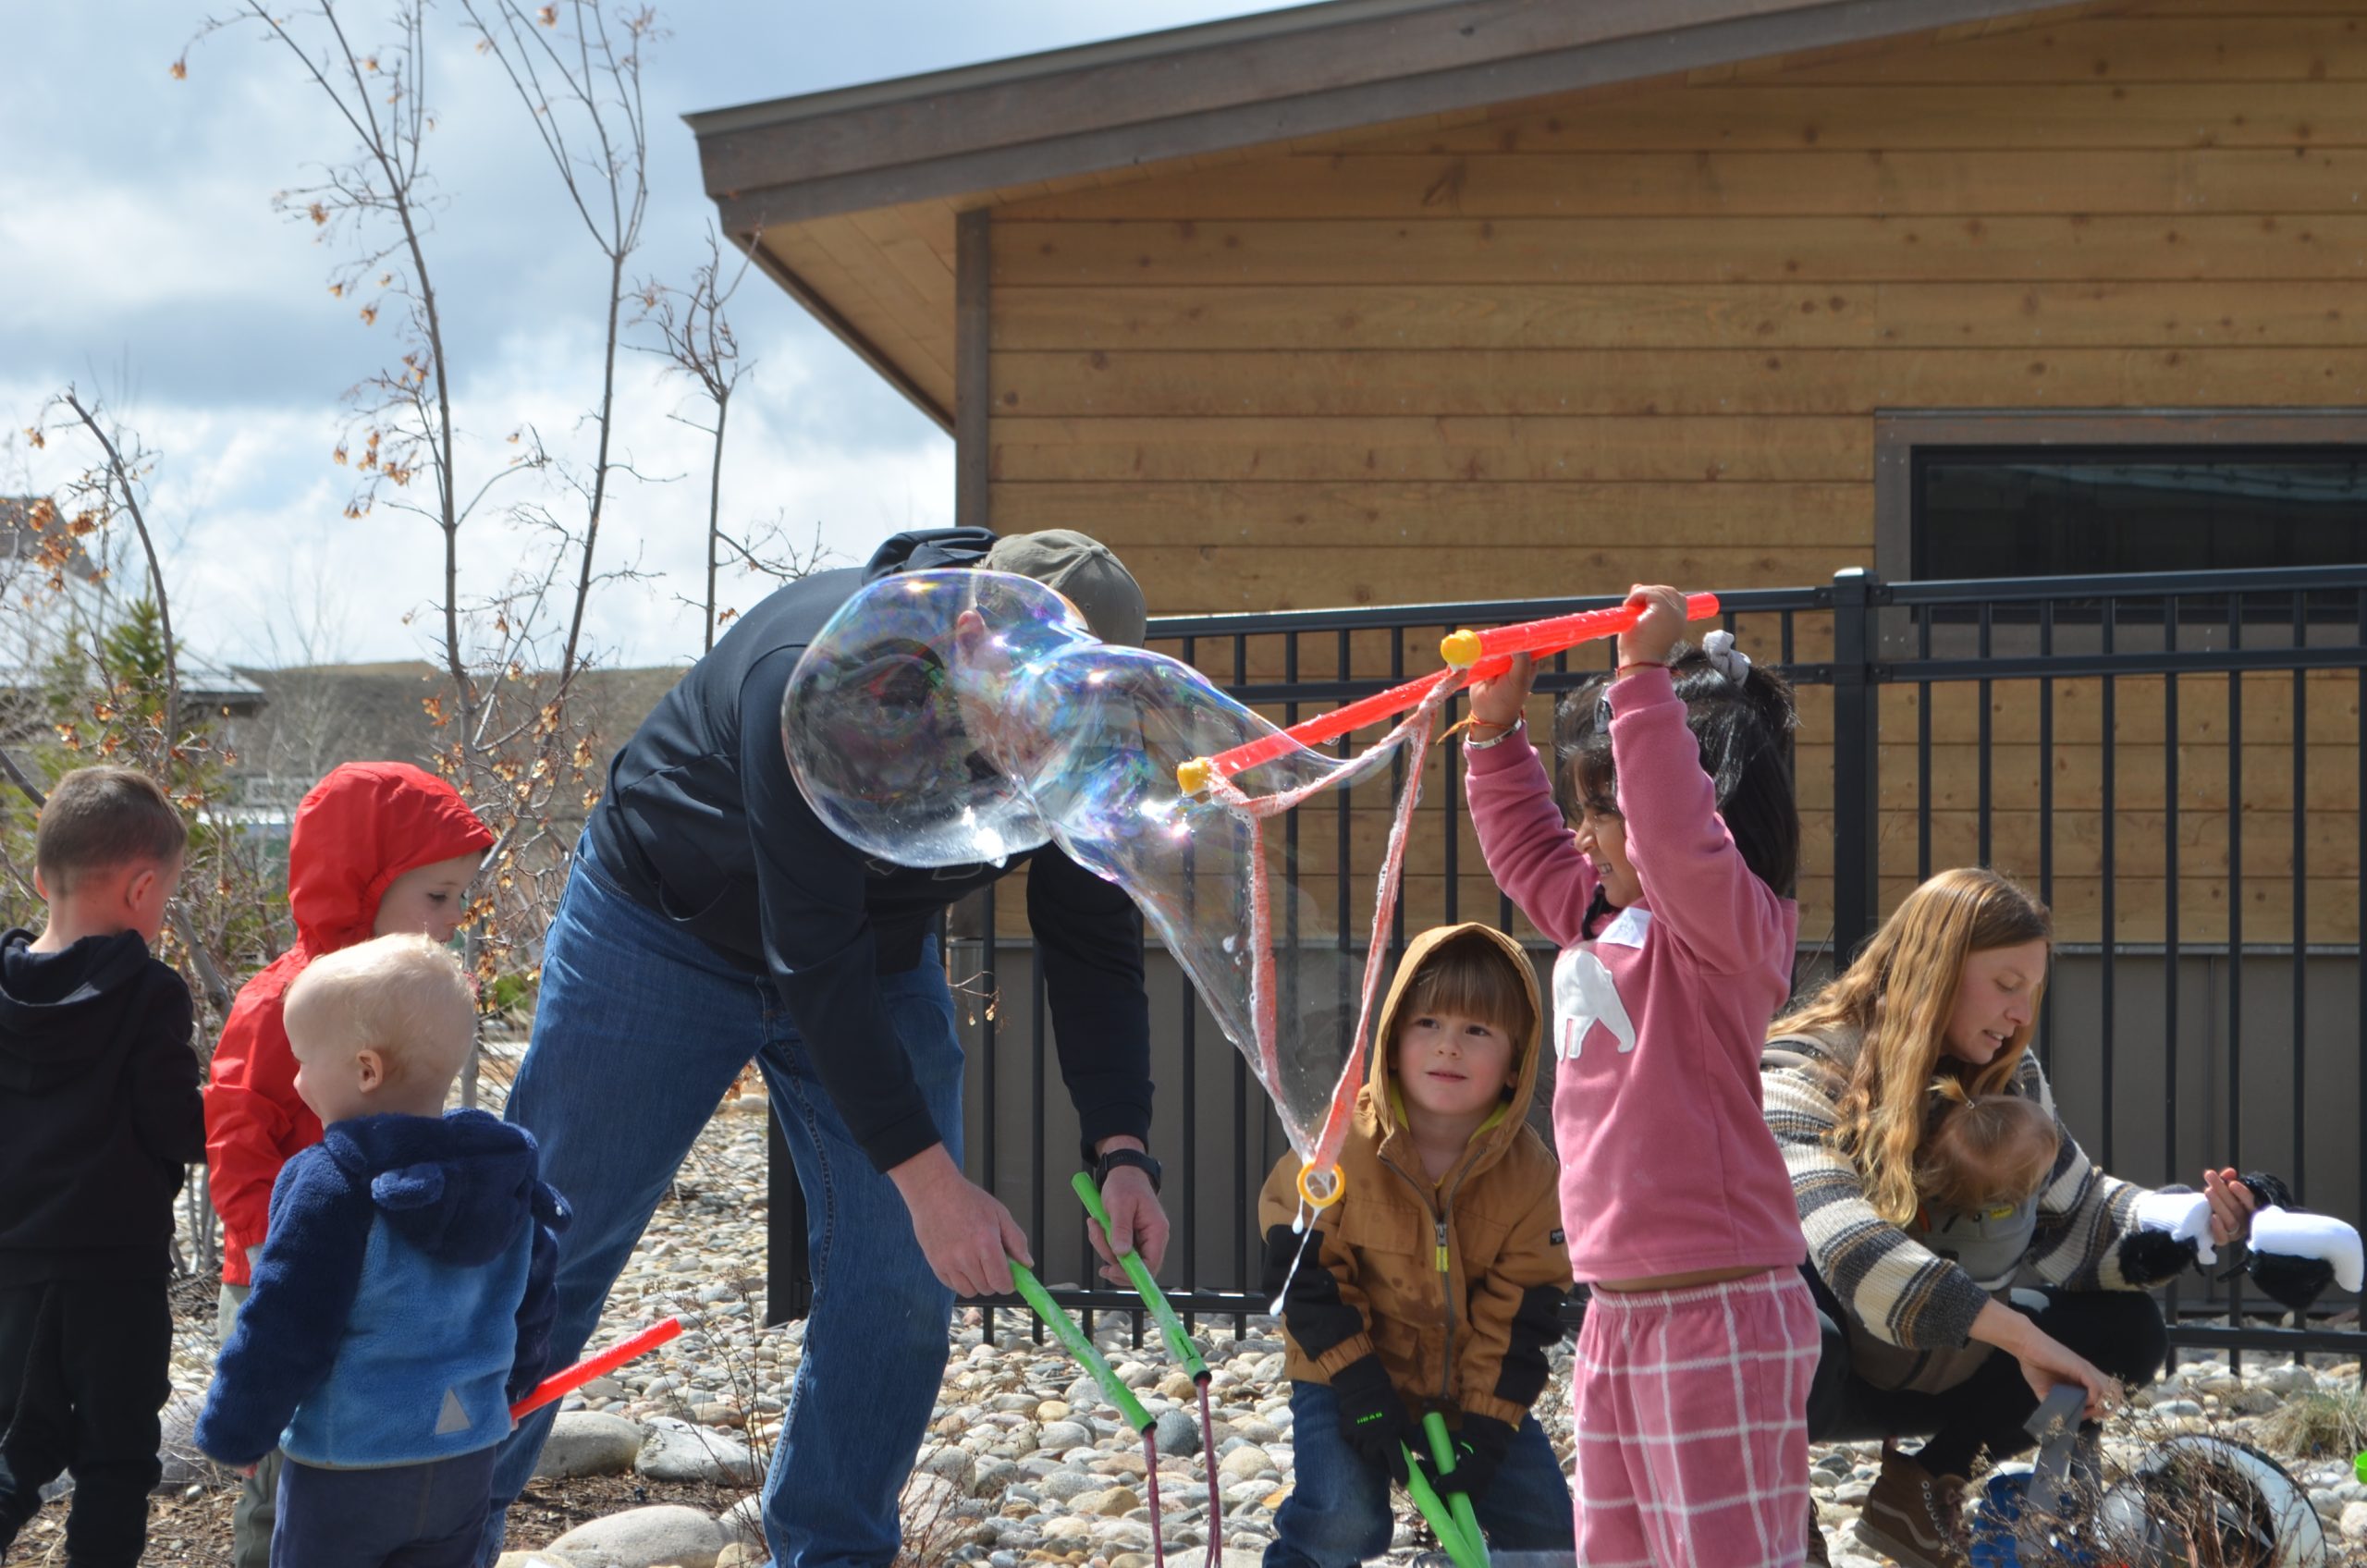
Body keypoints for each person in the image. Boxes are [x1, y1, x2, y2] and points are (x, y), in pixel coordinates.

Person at [479, 528, 1172, 1566]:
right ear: (977, 637)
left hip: (874, 955)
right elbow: (811, 959)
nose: (1054, 737)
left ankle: (833, 1547)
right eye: (1043, 706)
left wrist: (1121, 1146)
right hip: (661, 929)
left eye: (1083, 707)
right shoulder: (814, 674)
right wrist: (934, 1185)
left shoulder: (1079, 727)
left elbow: (1089, 936)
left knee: (899, 1280)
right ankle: (432, 1528)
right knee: (551, 1250)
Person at [1763, 866, 2261, 1568]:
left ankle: (1929, 1479)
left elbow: (2082, 1218)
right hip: (1828, 1375)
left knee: (2127, 1333)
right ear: (1933, 972)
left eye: (2032, 990)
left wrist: (2196, 1223)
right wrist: (2024, 1338)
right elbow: (1853, 1253)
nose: (2024, 1014)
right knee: (1776, 1327)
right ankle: (1782, 1513)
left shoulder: (2011, 1076)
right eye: (2005, 985)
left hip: (1948, 1363)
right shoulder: (1798, 1071)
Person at [1463, 587, 1816, 1568]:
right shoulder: (1603, 923)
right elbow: (1530, 848)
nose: (1582, 835)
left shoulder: (1728, 933)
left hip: (1722, 1314)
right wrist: (1495, 739)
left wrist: (1640, 681)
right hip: (1618, 1310)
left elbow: (1669, 836)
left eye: (1600, 810)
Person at [196, 934, 565, 1568]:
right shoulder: (504, 1178)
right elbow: (532, 1310)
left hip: (351, 1464)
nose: (297, 1078)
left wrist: (240, 1426)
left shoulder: (333, 1182)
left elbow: (286, 1323)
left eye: (305, 1060)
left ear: (365, 1070)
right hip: (465, 1457)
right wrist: (511, 1389)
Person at [204, 760, 494, 1568]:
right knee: (281, 1461)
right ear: (359, 884)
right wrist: (270, 1256)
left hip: (375, 1270)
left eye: (461, 899)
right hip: (276, 1267)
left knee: (363, 1446)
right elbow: (234, 1133)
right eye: (435, 896)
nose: (451, 919)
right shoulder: (288, 1001)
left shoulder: (410, 1001)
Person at [1257, 923, 1576, 1568]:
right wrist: (1363, 1391)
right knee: (1344, 1519)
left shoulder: (1532, 1176)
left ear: (1517, 1063)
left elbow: (1522, 1316)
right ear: (1393, 1041)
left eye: (1477, 1031)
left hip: (1465, 1390)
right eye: (1427, 1023)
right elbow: (1304, 1271)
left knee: (1552, 1531)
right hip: (1345, 1374)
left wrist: (1485, 1432)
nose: (1448, 1048)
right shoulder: (1342, 1141)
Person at [0, 766, 201, 1567]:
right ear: (143, 887)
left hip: (13, 1264)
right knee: (115, 1462)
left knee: (17, 1447)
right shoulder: (148, 992)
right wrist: (231, 1112)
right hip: (116, 1271)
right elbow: (172, 1123)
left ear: (44, 877)